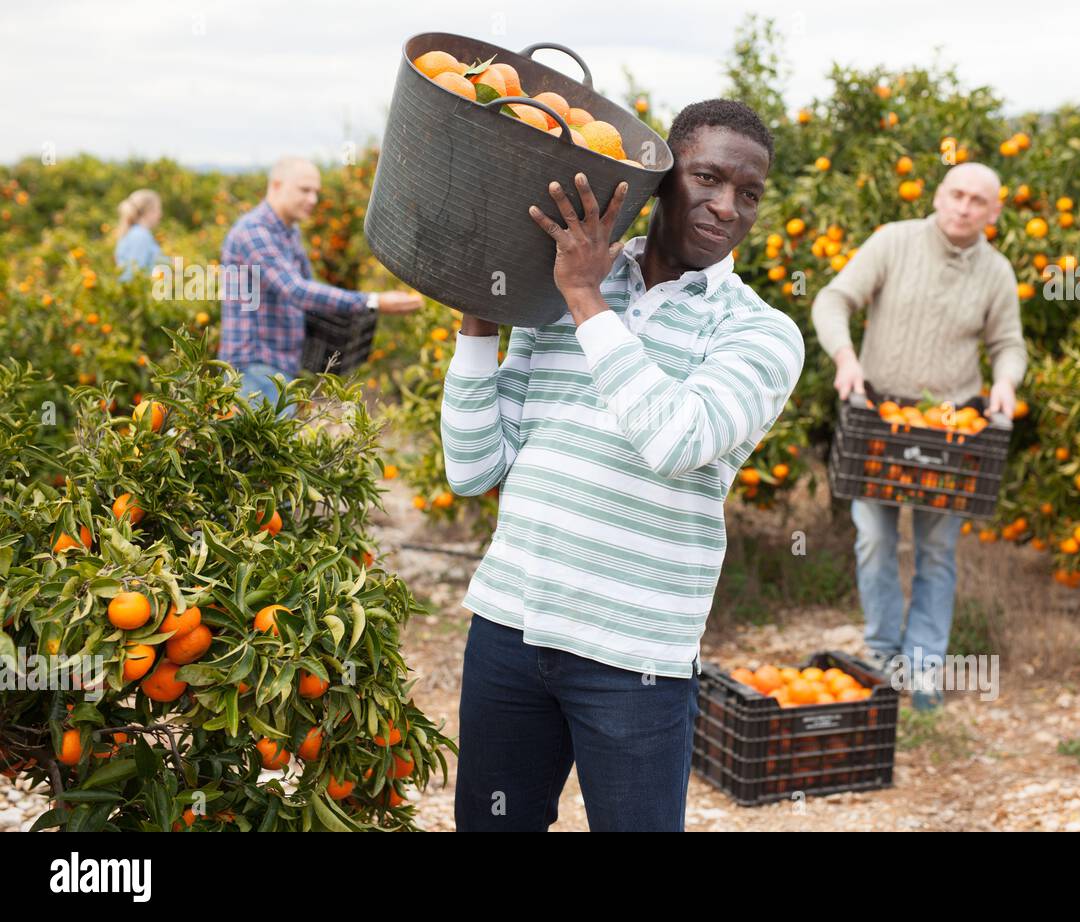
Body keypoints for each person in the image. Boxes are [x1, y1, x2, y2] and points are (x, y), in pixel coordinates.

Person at [441, 100, 805, 831]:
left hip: (635, 656)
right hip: (511, 628)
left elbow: (675, 439)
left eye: (750, 193)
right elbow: (474, 466)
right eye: (707, 178)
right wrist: (478, 315)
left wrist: (582, 298)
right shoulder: (565, 286)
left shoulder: (762, 333)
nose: (727, 206)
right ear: (662, 177)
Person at [810, 162, 1027, 711]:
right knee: (875, 540)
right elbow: (833, 299)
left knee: (936, 550)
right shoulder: (894, 242)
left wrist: (1005, 381)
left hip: (952, 433)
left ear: (994, 212)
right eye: (956, 194)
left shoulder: (996, 272)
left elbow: (1008, 343)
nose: (964, 206)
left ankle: (924, 665)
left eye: (978, 200)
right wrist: (845, 358)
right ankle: (883, 654)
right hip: (880, 424)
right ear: (937, 195)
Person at [218, 156, 420, 415]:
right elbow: (297, 290)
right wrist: (372, 302)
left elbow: (309, 289)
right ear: (277, 186)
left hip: (280, 368)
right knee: (256, 453)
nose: (313, 199)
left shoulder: (289, 232)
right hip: (253, 370)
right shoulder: (254, 232)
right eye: (304, 190)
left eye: (316, 192)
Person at [113, 189, 165, 281]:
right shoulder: (140, 236)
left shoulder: (137, 233)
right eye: (158, 209)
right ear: (148, 211)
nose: (160, 214)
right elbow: (133, 274)